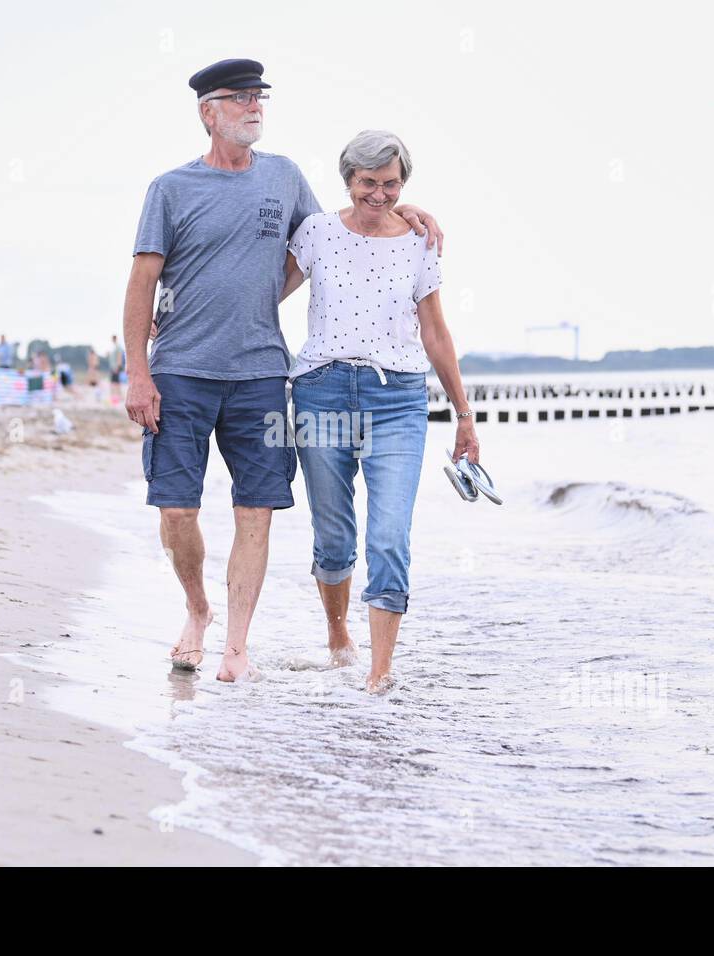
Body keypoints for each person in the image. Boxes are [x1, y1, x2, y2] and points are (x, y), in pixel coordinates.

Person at [124, 58, 442, 682]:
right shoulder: (170, 188)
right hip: (181, 371)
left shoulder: (286, 177)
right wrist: (138, 369)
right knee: (177, 510)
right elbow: (141, 282)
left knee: (256, 511)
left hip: (264, 374)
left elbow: (343, 233)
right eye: (240, 98)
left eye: (260, 97)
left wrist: (409, 210)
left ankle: (237, 644)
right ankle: (197, 609)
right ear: (207, 111)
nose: (255, 107)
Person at [283, 130, 473, 693]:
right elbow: (263, 291)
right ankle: (338, 633)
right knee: (334, 534)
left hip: (398, 399)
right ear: (348, 180)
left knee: (389, 535)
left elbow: (435, 332)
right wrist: (174, 318)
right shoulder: (316, 232)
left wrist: (464, 414)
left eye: (391, 185)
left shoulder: (419, 242)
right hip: (320, 390)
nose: (379, 195)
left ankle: (380, 669)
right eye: (368, 183)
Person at [106, 335, 126, 406]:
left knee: (115, 383)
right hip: (113, 367)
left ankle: (118, 397)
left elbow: (119, 357)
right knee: (115, 382)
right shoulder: (115, 347)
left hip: (116, 367)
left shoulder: (118, 347)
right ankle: (118, 397)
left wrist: (117, 367)